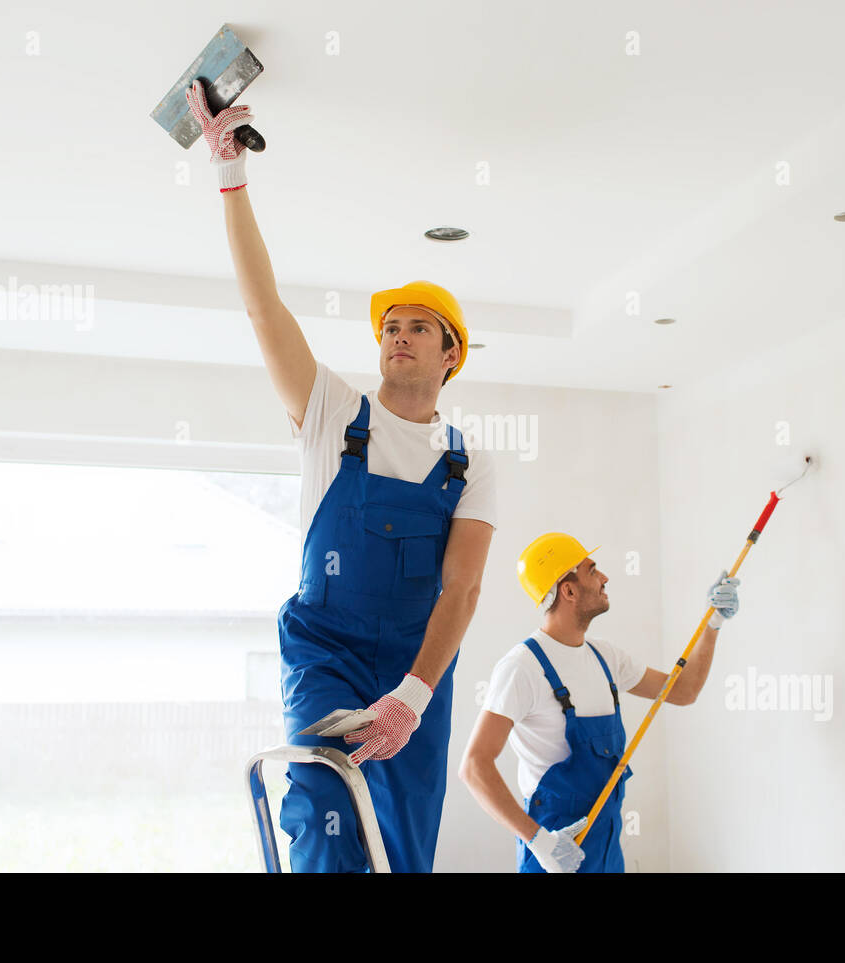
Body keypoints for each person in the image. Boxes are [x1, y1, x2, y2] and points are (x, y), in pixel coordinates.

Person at [185, 81, 496, 872]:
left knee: (403, 846)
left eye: (417, 327)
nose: (397, 335)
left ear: (449, 352)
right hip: (325, 651)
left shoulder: (470, 462)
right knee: (323, 809)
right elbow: (264, 311)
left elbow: (460, 591)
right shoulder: (331, 412)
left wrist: (413, 697)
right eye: (389, 326)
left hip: (417, 668)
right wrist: (230, 177)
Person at [459, 534, 738, 872]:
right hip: (554, 855)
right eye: (592, 570)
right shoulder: (523, 667)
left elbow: (684, 690)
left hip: (607, 851)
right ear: (569, 590)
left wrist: (713, 623)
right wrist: (541, 843)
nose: (604, 578)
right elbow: (474, 767)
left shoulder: (605, 657)